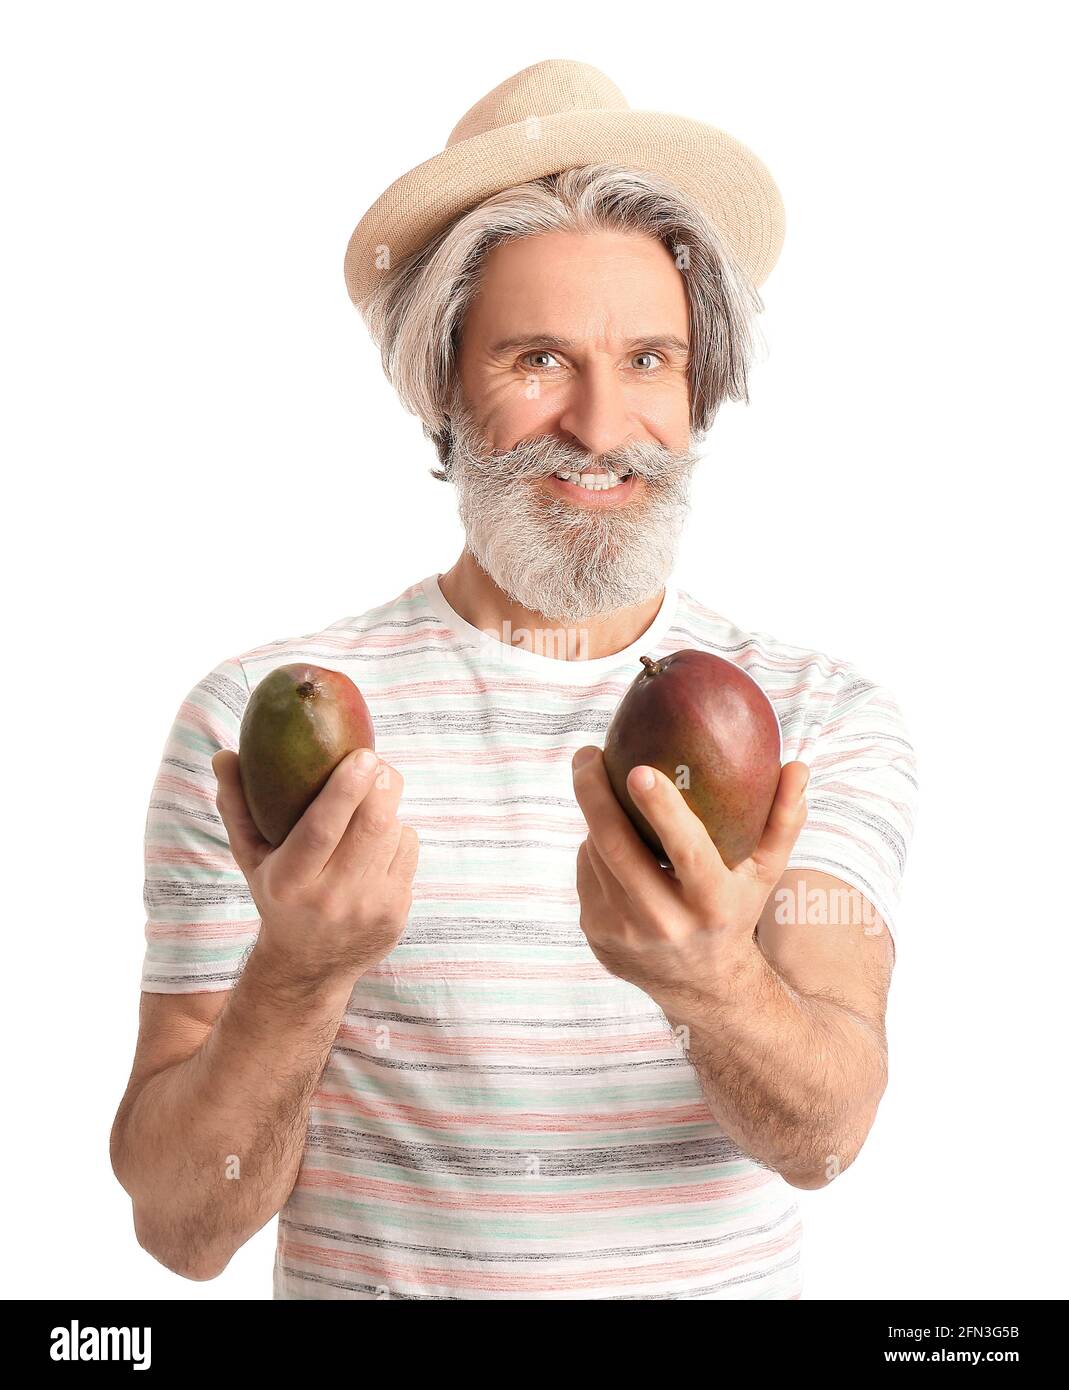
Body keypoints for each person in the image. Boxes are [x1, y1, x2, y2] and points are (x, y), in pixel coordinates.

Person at [110, 60, 918, 1300]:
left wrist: (708, 976)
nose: (602, 428)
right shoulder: (257, 723)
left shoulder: (820, 720)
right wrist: (298, 974)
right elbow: (180, 1227)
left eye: (650, 359)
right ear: (441, 383)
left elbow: (825, 1132)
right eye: (539, 358)